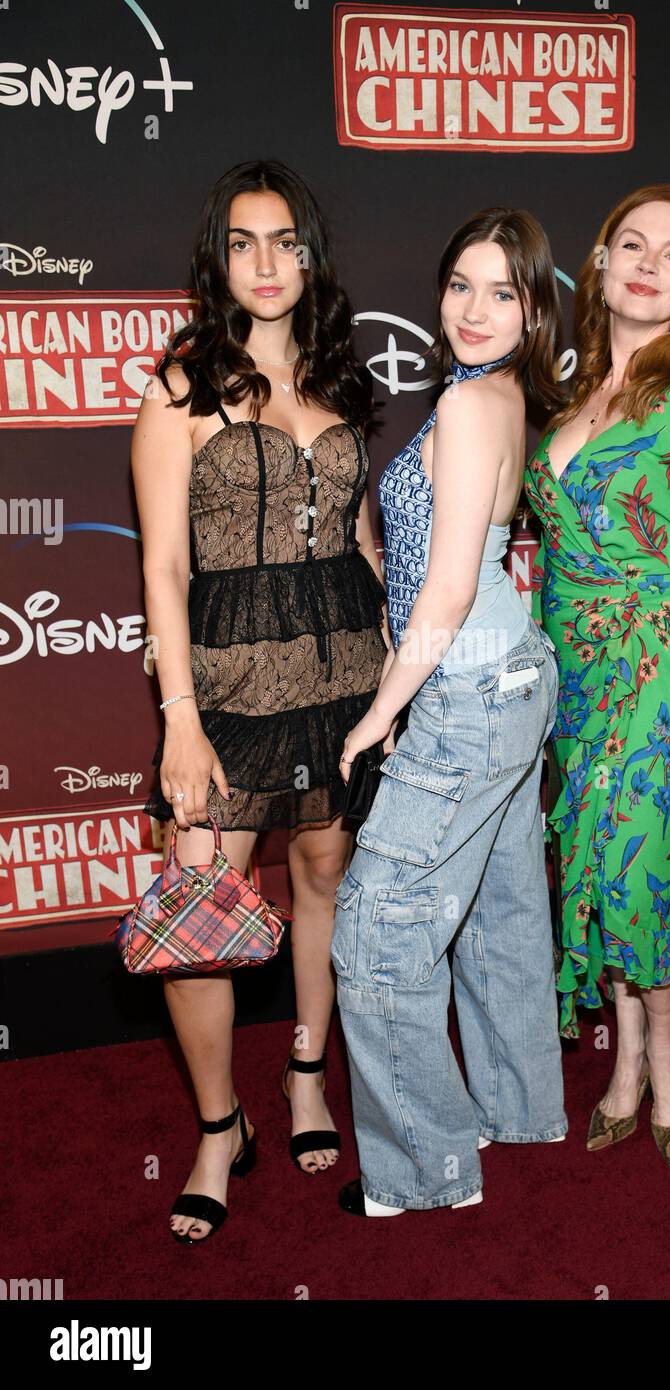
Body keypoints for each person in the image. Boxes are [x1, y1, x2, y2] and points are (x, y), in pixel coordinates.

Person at [133, 159, 390, 1243]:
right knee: (199, 920)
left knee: (322, 874)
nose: (266, 264)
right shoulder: (183, 385)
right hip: (228, 691)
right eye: (242, 242)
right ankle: (216, 1124)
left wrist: (396, 680)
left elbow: (363, 541)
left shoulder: (343, 377)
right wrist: (179, 718)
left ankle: (304, 1075)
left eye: (284, 240)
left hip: (343, 678)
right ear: (217, 258)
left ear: (311, 253)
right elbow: (163, 571)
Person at [331, 208, 568, 1215]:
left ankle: (426, 1170)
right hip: (514, 674)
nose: (474, 309)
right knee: (501, 915)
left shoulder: (472, 406)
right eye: (460, 284)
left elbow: (449, 592)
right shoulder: (498, 395)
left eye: (502, 291)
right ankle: (518, 1107)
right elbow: (448, 561)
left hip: (465, 691)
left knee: (376, 934)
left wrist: (380, 713)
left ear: (535, 308)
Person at [522, 184, 670, 1170]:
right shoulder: (576, 396)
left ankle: (668, 1044)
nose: (648, 263)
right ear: (602, 260)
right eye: (631, 244)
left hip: (661, 672)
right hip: (575, 670)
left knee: (638, 865)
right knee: (590, 865)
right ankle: (620, 1062)